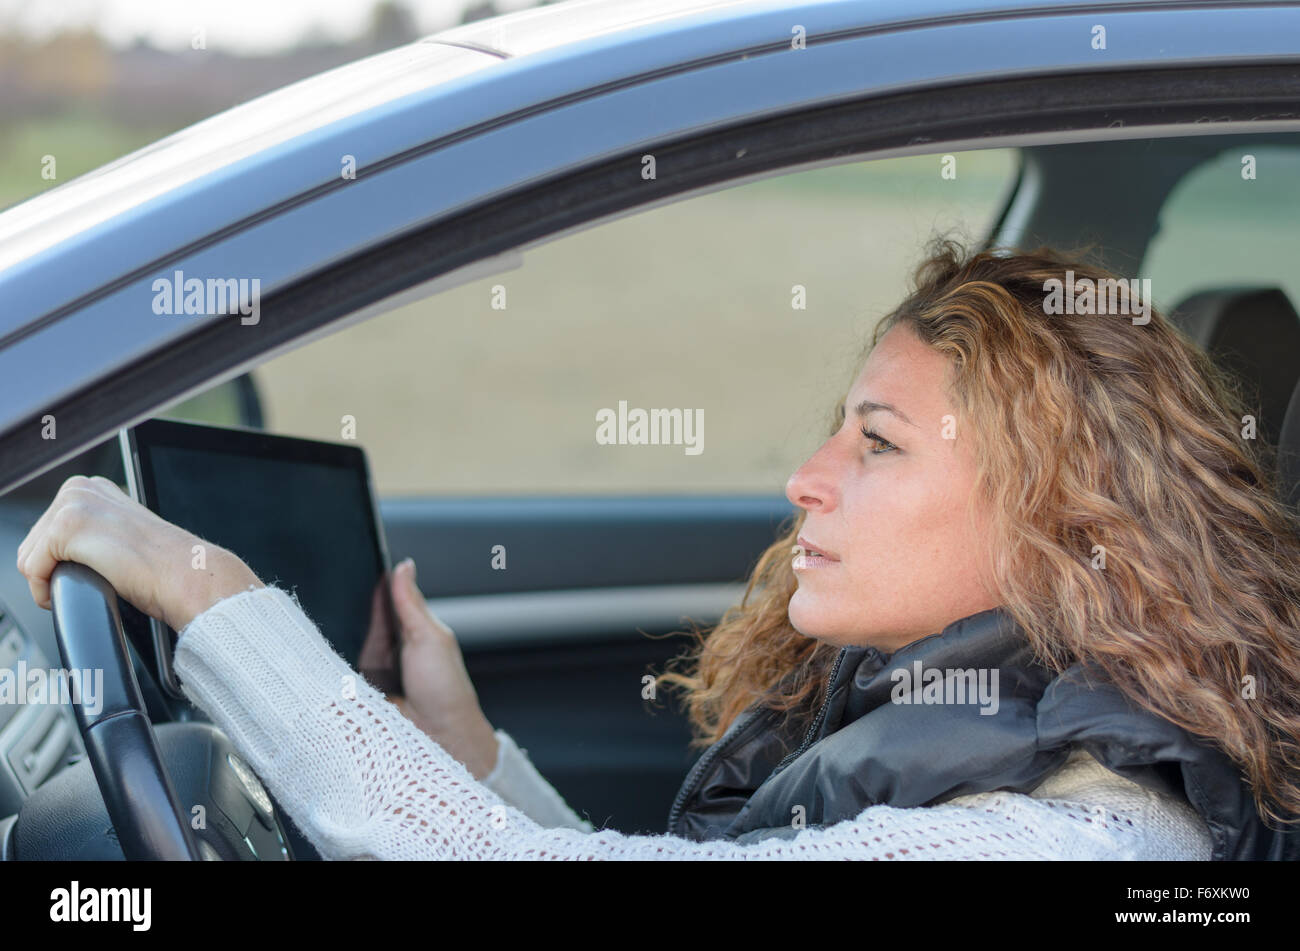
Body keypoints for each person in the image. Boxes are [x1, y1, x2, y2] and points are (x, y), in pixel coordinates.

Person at [17, 241, 1300, 859]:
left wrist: (209, 594)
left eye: (880, 444)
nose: (807, 478)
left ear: (1061, 524)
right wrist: (470, 758)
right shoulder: (1004, 748)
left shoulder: (1082, 845)